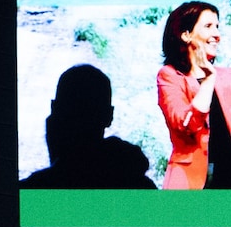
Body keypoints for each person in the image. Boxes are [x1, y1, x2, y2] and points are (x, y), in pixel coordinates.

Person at [154, 0, 231, 190]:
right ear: (186, 35)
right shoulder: (170, 76)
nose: (217, 35)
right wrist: (209, 79)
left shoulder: (229, 75)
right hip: (191, 180)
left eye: (217, 27)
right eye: (208, 26)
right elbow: (186, 124)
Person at [20, 64, 155, 190]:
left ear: (55, 112)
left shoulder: (29, 197)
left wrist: (58, 162)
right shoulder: (142, 190)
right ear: (109, 116)